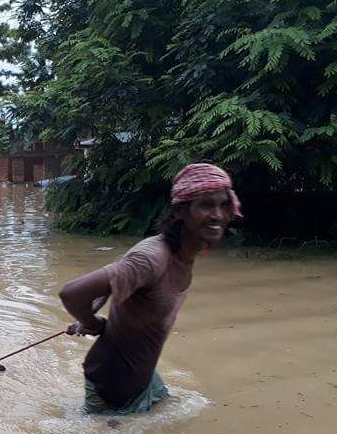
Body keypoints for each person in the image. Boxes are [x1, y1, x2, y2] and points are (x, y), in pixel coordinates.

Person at [58, 163, 241, 414]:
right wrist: (90, 322)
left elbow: (118, 272)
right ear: (180, 211)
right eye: (207, 205)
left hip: (145, 376)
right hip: (114, 384)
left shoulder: (183, 252)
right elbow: (72, 292)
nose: (218, 215)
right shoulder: (152, 258)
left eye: (223, 205)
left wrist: (91, 313)